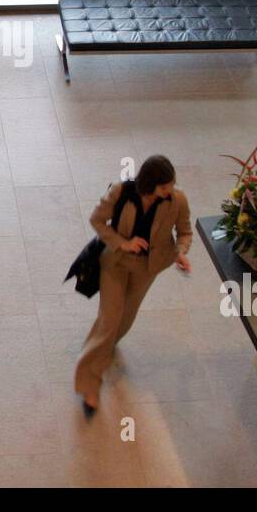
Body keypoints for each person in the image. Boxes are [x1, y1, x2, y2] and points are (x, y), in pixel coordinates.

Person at [74, 155, 193, 417]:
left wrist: (180, 252)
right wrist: (123, 243)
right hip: (115, 263)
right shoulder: (121, 192)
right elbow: (97, 220)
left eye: (171, 186)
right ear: (150, 184)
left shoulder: (177, 200)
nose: (169, 192)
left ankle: (104, 345)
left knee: (125, 319)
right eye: (164, 188)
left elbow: (184, 232)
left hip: (147, 268)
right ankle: (89, 384)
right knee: (109, 319)